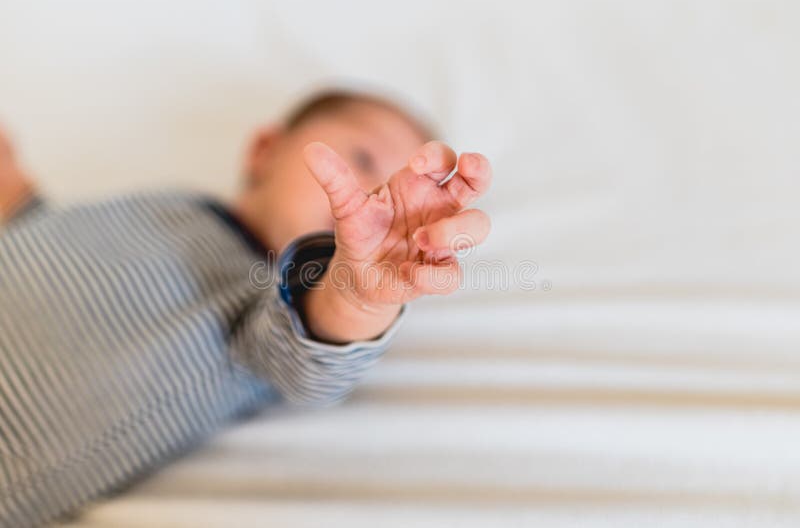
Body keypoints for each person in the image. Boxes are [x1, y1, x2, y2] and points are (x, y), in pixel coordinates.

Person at [0, 89, 492, 526]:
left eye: (396, 210)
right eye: (363, 160)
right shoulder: (176, 202)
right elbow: (66, 246)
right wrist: (18, 199)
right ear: (265, 151)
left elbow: (312, 359)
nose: (375, 203)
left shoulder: (271, 307)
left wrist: (356, 290)